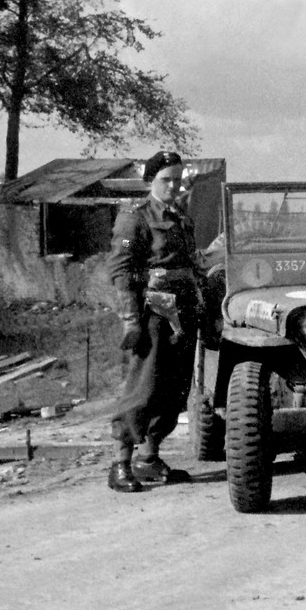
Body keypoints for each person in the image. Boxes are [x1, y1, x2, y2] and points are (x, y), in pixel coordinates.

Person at [106, 150, 204, 492]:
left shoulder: (181, 217)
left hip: (184, 313)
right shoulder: (135, 218)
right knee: (143, 389)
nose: (173, 187)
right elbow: (120, 270)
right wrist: (130, 319)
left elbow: (192, 264)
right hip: (152, 315)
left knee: (175, 390)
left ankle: (149, 457)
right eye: (166, 180)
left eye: (178, 180)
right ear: (152, 181)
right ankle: (120, 463)